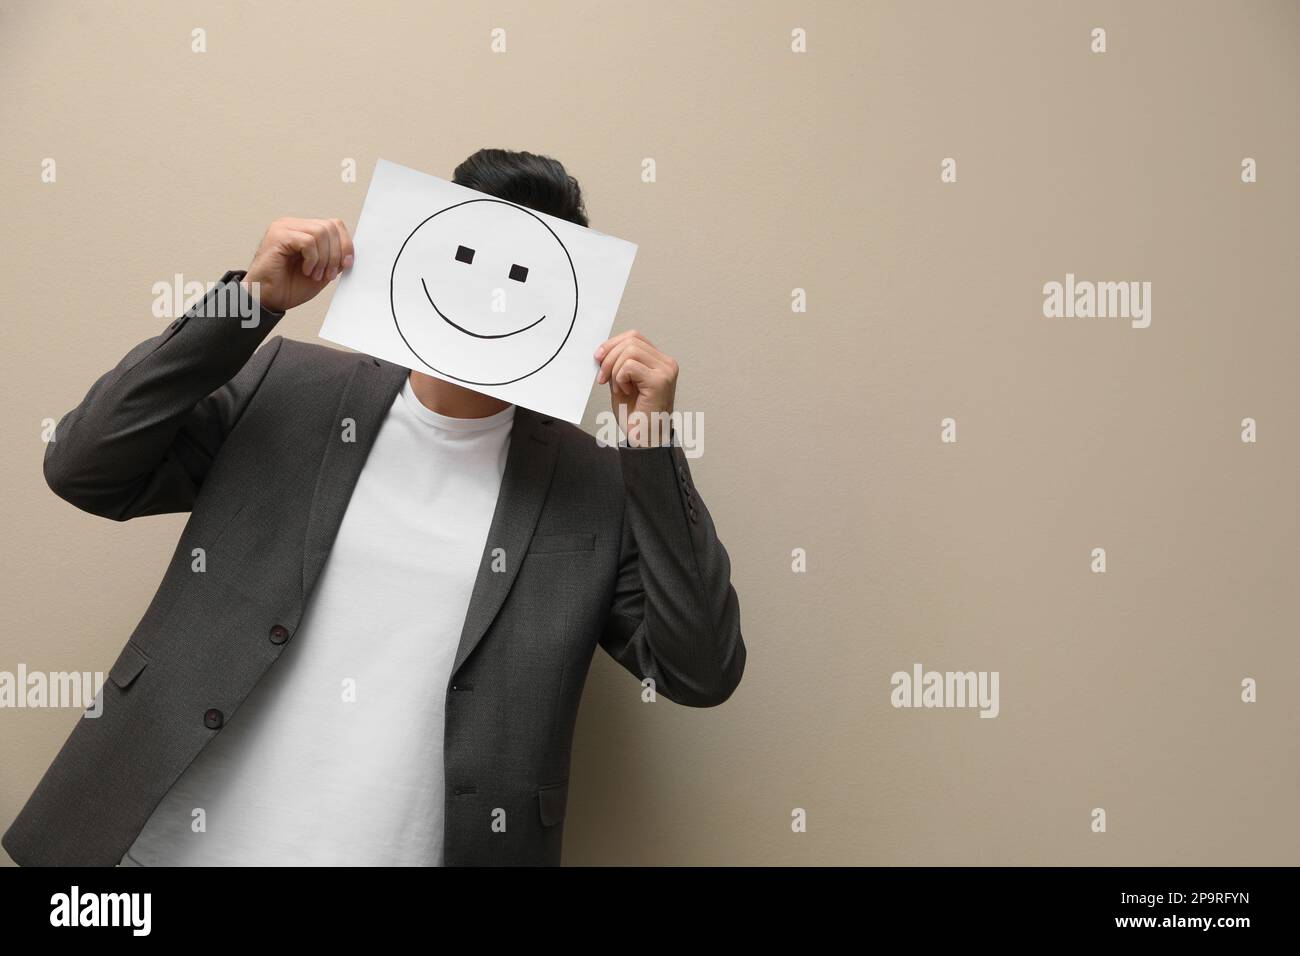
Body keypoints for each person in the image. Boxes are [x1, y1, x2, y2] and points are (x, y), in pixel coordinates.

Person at [3, 148, 745, 867]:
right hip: (165, 849)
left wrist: (651, 444)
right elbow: (83, 467)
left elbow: (700, 673)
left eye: (522, 275)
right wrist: (247, 303)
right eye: (466, 255)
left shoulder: (595, 488)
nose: (490, 292)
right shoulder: (290, 388)